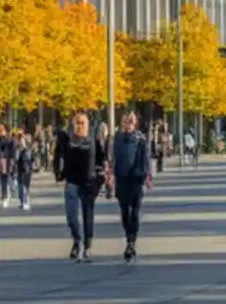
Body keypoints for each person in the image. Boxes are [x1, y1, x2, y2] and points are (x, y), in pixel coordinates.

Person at [55, 112, 108, 263]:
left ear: (87, 124)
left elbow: (101, 158)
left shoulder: (92, 138)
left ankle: (87, 245)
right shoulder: (68, 138)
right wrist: (58, 173)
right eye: (76, 123)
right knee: (71, 216)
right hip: (71, 181)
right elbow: (59, 155)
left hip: (88, 182)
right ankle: (77, 239)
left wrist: (101, 176)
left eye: (82, 123)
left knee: (87, 213)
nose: (79, 125)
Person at [110, 112, 153, 262]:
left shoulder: (140, 139)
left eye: (131, 121)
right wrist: (110, 175)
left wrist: (148, 176)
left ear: (135, 123)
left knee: (134, 211)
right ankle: (128, 236)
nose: (128, 123)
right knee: (124, 211)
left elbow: (146, 158)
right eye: (126, 121)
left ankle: (131, 241)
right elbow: (113, 157)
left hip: (136, 178)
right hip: (122, 178)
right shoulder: (118, 138)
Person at [14, 129, 35, 211]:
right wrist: (19, 146)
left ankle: (25, 201)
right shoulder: (18, 147)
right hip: (19, 168)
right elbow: (16, 158)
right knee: (20, 185)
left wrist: (24, 146)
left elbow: (28, 157)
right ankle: (21, 200)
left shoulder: (30, 148)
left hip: (27, 168)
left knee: (25, 186)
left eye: (26, 138)